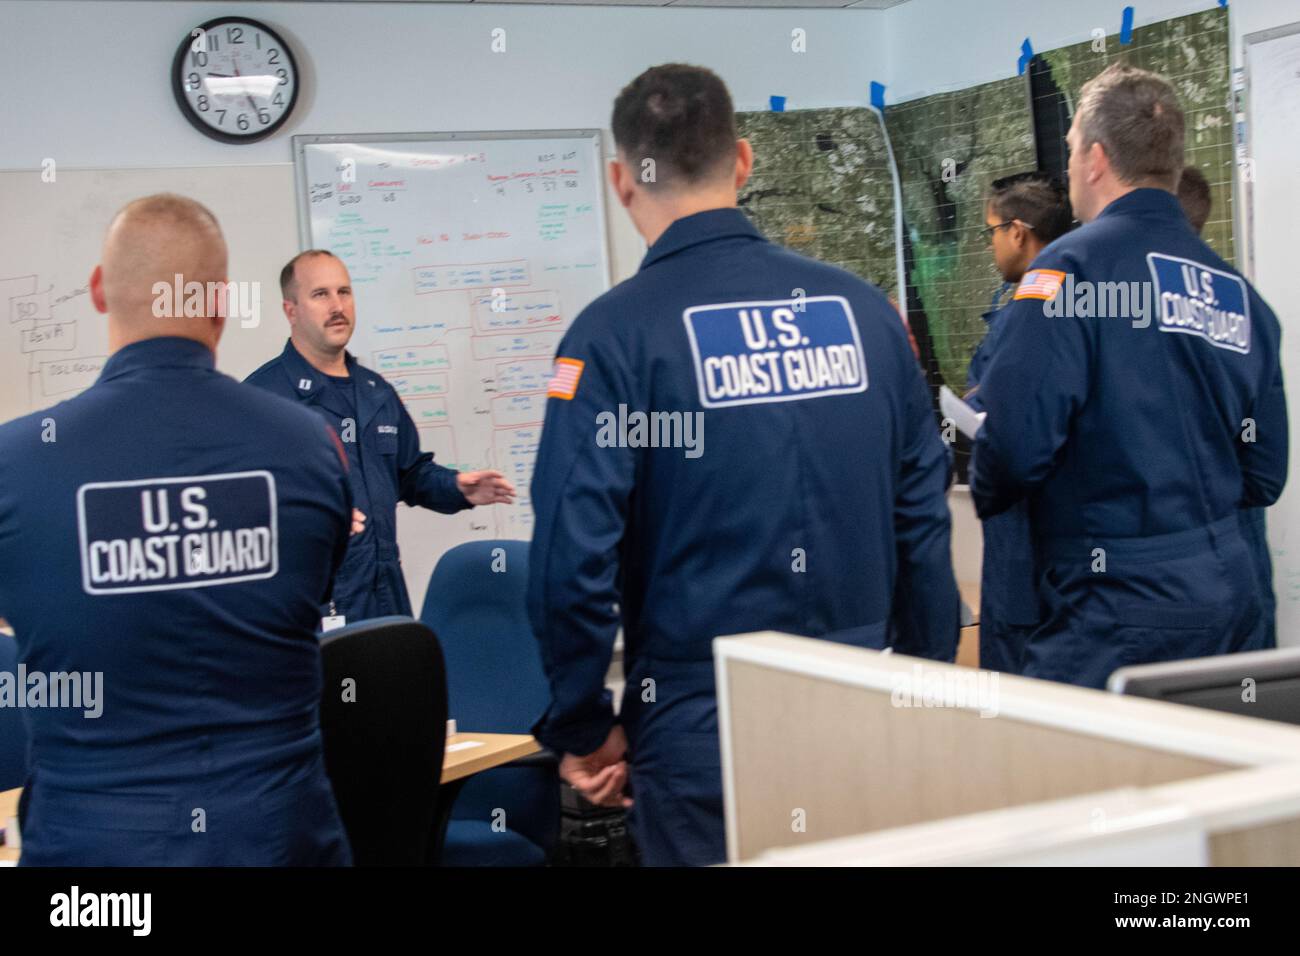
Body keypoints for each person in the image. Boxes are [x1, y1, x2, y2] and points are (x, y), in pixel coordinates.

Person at [527, 63, 959, 866]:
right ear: (745, 161)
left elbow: (569, 560)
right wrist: (928, 686)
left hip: (704, 720)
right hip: (863, 703)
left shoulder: (614, 338)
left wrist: (582, 725)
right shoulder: (865, 315)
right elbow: (923, 521)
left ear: (622, 181)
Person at [0, 194, 353, 865]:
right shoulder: (310, 445)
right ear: (220, 300)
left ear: (100, 290)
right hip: (278, 833)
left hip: (97, 850)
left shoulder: (16, 463)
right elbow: (315, 590)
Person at [971, 64, 1287, 689]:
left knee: (1086, 779)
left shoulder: (1067, 270)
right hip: (1231, 593)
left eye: (1068, 152)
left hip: (1114, 607)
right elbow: (1264, 472)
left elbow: (1011, 449)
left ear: (1093, 158)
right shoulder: (1238, 295)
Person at [246, 250, 516, 624]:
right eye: (320, 294)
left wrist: (457, 488)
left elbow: (411, 474)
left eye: (345, 292)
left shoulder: (375, 391)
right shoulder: (264, 400)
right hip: (310, 608)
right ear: (291, 310)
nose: (337, 306)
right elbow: (243, 511)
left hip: (385, 597)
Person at [965, 172, 1074, 673]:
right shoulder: (1074, 300)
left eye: (990, 231)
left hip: (1024, 533)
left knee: (1015, 679)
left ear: (1017, 231)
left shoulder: (1032, 312)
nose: (990, 244)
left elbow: (1012, 431)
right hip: (1054, 547)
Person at [1177, 164, 1276, 649]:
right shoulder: (1247, 304)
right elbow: (1266, 474)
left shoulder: (1123, 306)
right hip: (1239, 556)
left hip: (1161, 571)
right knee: (1242, 708)